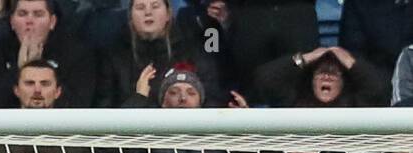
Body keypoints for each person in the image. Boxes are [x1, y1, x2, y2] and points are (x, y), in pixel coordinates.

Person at [95, 0, 223, 108]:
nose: (148, 12)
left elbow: (212, 102)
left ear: (168, 14)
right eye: (140, 7)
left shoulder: (193, 52)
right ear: (130, 17)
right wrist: (139, 98)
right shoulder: (114, 57)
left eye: (155, 6)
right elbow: (101, 116)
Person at [254, 45, 387, 109]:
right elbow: (265, 78)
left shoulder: (355, 103)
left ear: (343, 83)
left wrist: (347, 59)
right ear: (311, 80)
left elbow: (379, 87)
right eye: (321, 72)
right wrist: (306, 58)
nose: (327, 77)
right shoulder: (295, 99)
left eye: (334, 73)